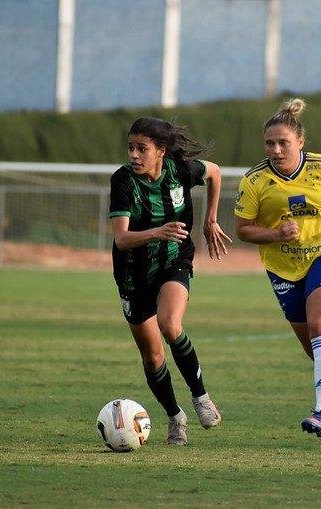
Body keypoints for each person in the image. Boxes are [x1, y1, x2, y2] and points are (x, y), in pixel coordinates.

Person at [234, 98, 321, 437]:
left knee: (320, 324)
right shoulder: (254, 181)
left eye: (283, 142)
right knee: (317, 348)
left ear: (300, 142)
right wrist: (274, 233)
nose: (276, 149)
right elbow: (242, 229)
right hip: (283, 267)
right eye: (270, 143)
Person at [109, 117, 232, 445]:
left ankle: (201, 398)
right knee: (152, 356)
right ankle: (175, 416)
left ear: (161, 150)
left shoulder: (180, 171)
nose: (134, 154)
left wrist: (210, 220)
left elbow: (216, 172)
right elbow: (121, 239)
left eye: (142, 148)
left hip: (174, 262)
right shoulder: (123, 181)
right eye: (131, 147)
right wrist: (156, 232)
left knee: (171, 324)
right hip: (132, 275)